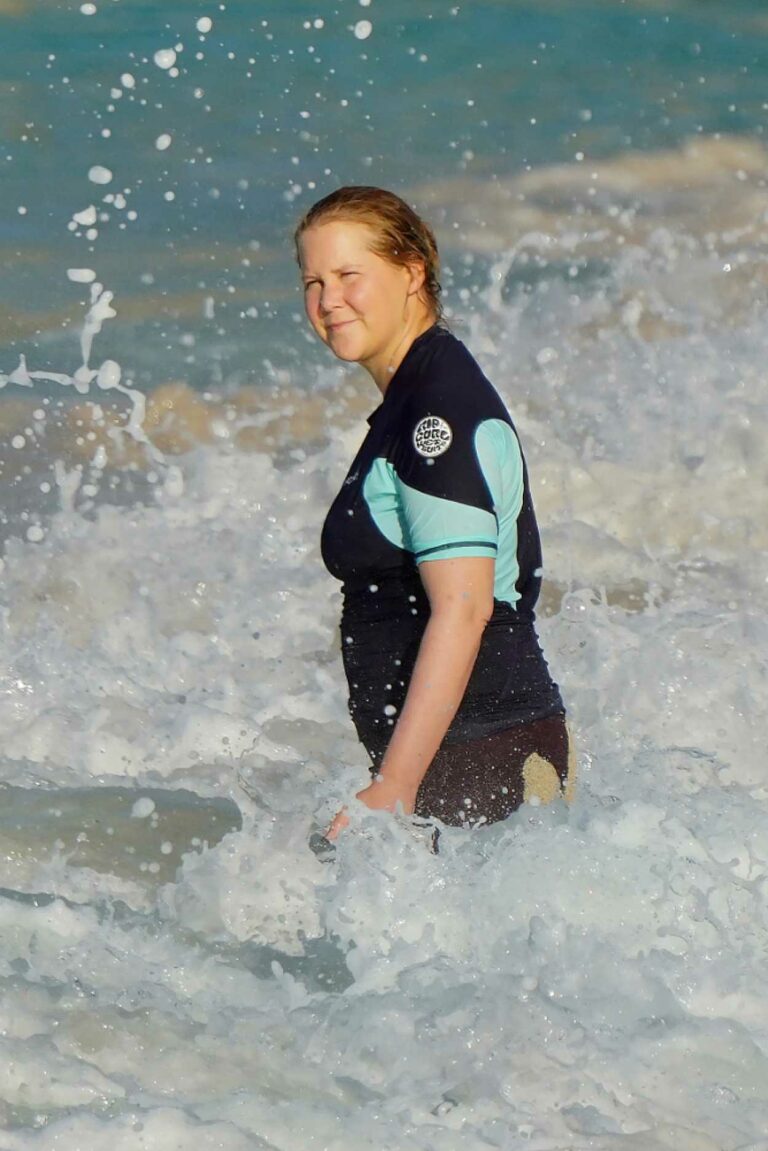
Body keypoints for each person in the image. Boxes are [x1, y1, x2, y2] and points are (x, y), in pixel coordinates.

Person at [295, 186, 574, 839]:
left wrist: (395, 784)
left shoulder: (436, 411)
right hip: (469, 753)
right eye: (313, 280)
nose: (328, 299)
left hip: (484, 751)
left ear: (411, 271)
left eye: (348, 275)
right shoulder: (417, 392)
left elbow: (465, 607)